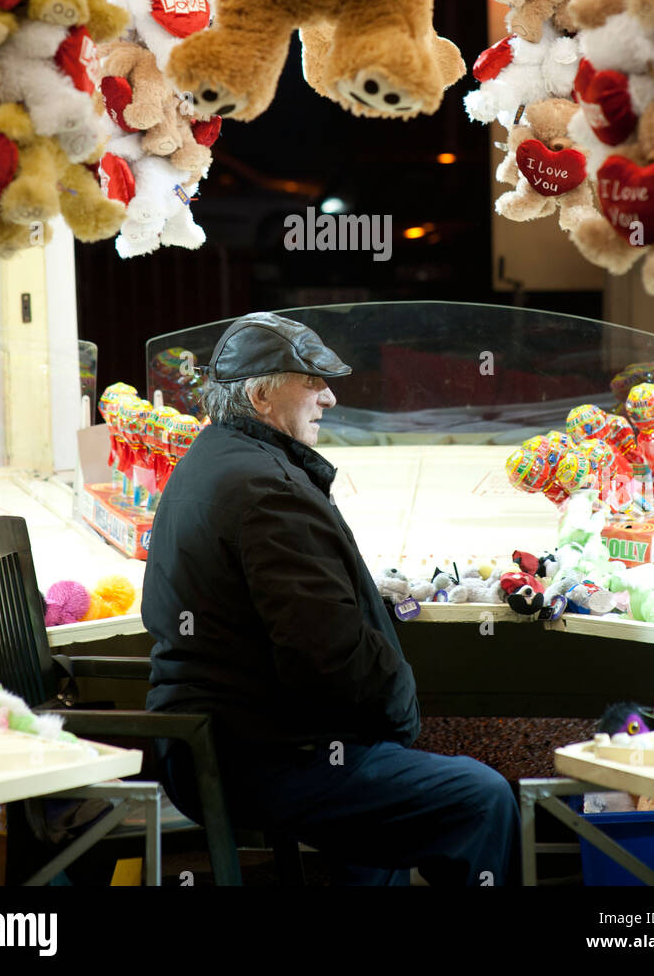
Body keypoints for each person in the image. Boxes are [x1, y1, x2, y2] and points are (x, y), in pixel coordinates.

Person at [142, 310, 519, 886]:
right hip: (257, 756)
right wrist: (402, 710)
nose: (331, 398)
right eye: (313, 382)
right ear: (263, 394)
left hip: (214, 741)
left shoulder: (214, 459)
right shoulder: (268, 491)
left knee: (377, 770)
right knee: (480, 798)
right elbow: (327, 659)